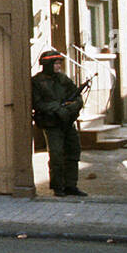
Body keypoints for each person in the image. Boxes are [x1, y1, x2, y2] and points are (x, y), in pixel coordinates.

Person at [31, 47, 86, 197]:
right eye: (56, 63)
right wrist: (57, 109)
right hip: (51, 123)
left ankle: (71, 185)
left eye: (59, 63)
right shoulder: (37, 82)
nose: (58, 66)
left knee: (73, 152)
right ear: (47, 64)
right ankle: (58, 186)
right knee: (56, 155)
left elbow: (76, 96)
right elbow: (37, 103)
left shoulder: (63, 79)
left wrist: (73, 108)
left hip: (67, 122)